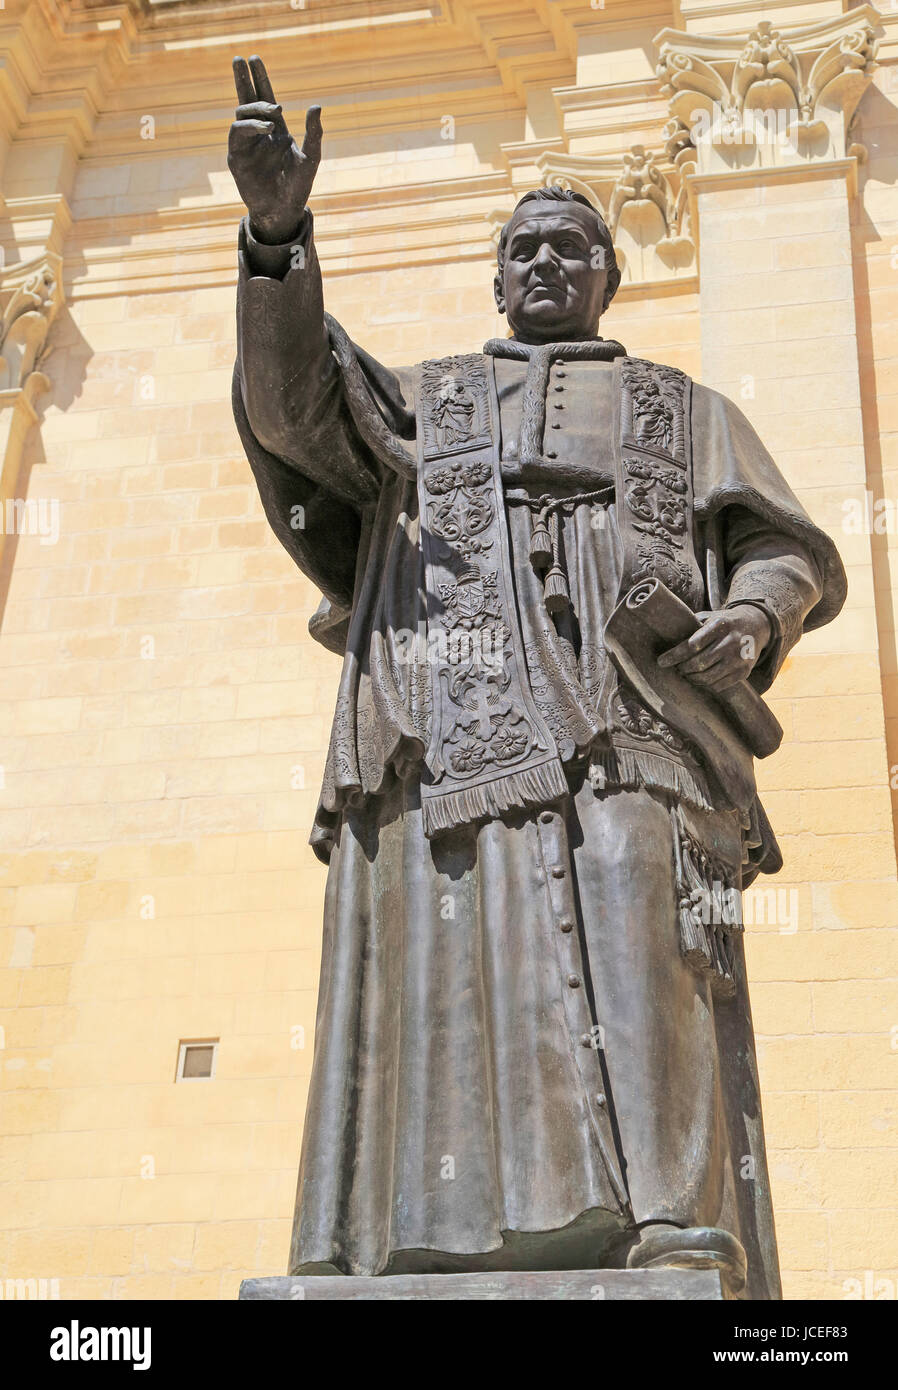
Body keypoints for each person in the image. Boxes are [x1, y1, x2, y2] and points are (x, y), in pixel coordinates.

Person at [228, 56, 846, 1298]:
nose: (546, 265)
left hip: (634, 712)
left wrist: (753, 613)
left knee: (643, 920)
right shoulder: (424, 403)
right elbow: (293, 411)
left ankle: (673, 1221)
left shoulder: (683, 406)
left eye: (570, 247)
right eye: (523, 251)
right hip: (453, 724)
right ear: (497, 278)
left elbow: (785, 546)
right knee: (455, 941)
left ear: (609, 274)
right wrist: (278, 235)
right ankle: (434, 1231)